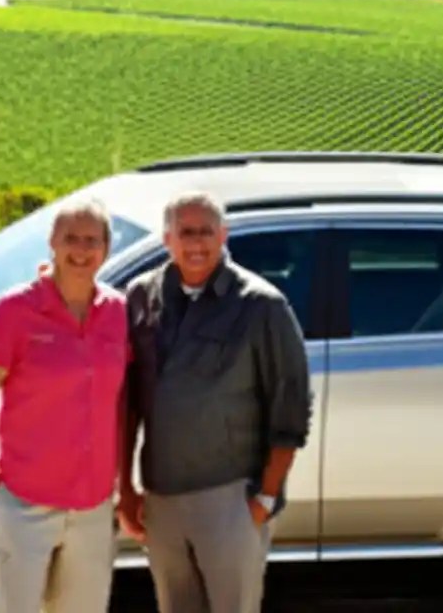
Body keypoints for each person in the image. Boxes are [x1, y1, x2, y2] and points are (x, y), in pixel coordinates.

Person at [117, 190, 313, 613]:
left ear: (223, 236)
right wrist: (126, 490)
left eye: (207, 231)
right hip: (161, 497)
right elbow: (129, 401)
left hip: (230, 496)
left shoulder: (261, 305)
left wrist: (265, 497)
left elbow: (292, 406)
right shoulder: (139, 297)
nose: (197, 243)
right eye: (186, 232)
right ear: (166, 238)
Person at [0, 197, 129, 613]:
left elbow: (123, 402)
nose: (81, 249)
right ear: (52, 243)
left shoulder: (119, 312)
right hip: (23, 503)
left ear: (106, 248)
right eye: (71, 238)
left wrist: (123, 484)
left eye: (92, 240)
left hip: (92, 508)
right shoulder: (13, 311)